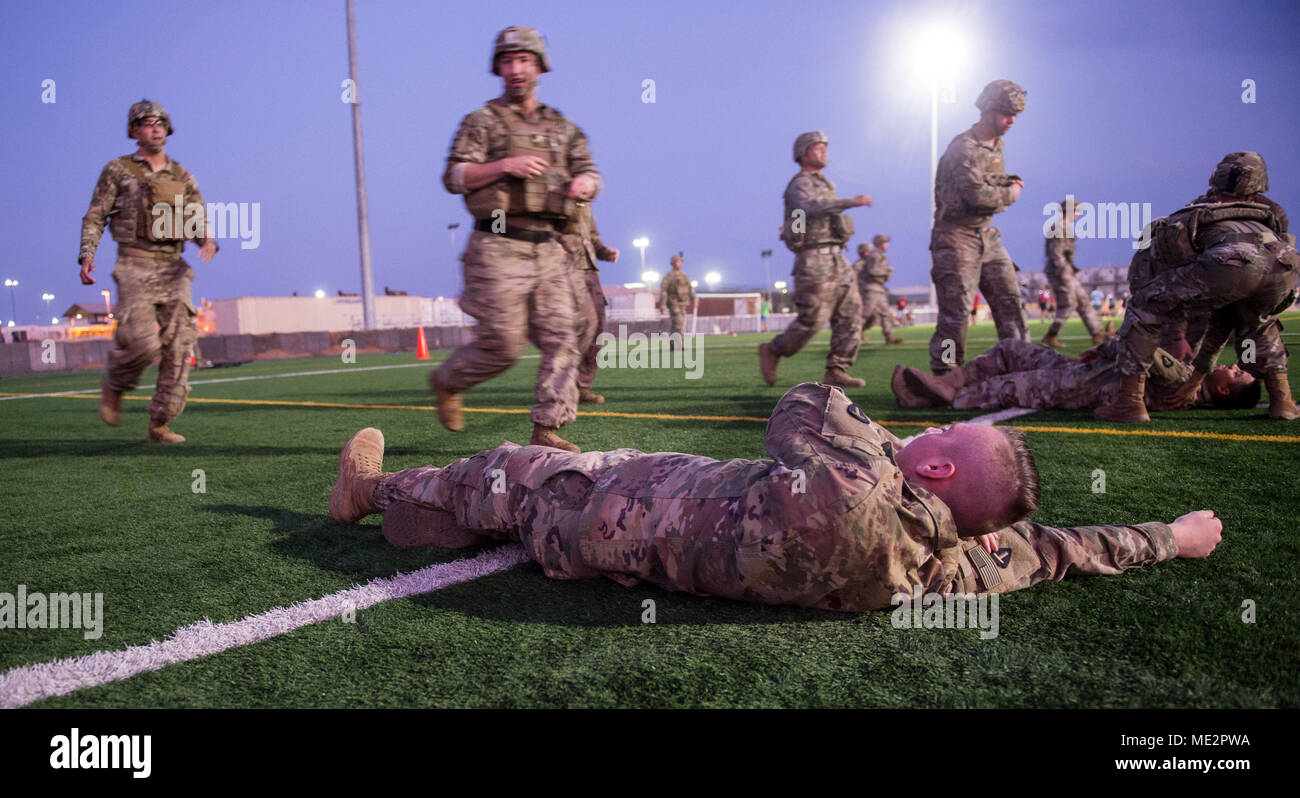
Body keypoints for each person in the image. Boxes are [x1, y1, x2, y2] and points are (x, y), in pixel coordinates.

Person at [328, 383, 1223, 612]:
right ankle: (425, 527)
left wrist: (886, 440)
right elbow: (1054, 550)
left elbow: (801, 404)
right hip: (638, 555)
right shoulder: (938, 574)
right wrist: (1168, 538)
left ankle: (375, 493)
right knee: (523, 508)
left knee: (508, 470)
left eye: (944, 439)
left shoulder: (859, 477)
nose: (931, 434)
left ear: (939, 473)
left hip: (603, 511)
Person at [432, 26, 602, 453]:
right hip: (497, 244)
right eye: (507, 61)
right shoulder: (482, 121)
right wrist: (504, 164)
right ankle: (448, 381)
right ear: (498, 69)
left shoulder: (562, 127)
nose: (516, 69)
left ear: (539, 66)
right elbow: (455, 177)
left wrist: (585, 184)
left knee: (566, 337)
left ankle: (547, 428)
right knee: (504, 346)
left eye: (524, 60)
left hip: (548, 246)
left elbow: (591, 171)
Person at [1096, 151, 1299, 422]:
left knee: (1144, 307)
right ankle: (1282, 401)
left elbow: (1155, 269)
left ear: (1213, 180)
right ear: (1259, 186)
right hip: (1285, 264)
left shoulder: (1194, 213)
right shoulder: (1271, 212)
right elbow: (1227, 314)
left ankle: (1129, 403)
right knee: (1261, 323)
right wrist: (1197, 376)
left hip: (1230, 262)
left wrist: (1171, 327)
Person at [79, 100, 218, 444]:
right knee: (142, 344)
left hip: (173, 267)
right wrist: (87, 254)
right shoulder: (118, 170)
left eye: (159, 122)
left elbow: (197, 216)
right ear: (133, 131)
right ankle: (115, 384)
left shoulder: (182, 176)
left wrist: (207, 240)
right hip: (135, 263)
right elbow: (96, 215)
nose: (154, 127)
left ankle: (159, 423)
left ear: (167, 129)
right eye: (145, 122)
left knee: (180, 345)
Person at [928, 79, 1031, 376]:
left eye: (1015, 115)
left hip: (986, 234)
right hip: (956, 235)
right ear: (987, 110)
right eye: (1005, 113)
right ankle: (944, 373)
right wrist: (1010, 194)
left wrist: (1005, 182)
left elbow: (989, 183)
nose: (1011, 120)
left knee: (1010, 300)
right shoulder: (963, 148)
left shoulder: (997, 144)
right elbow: (975, 195)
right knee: (956, 313)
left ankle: (1021, 364)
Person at [760, 131, 872, 388]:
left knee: (852, 314)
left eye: (825, 147)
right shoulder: (799, 184)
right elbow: (810, 207)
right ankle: (774, 350)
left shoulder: (824, 183)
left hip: (837, 256)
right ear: (804, 153)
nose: (824, 152)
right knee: (812, 320)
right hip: (813, 258)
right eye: (818, 148)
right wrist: (849, 202)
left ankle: (837, 368)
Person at [892, 337, 1260, 412]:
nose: (1234, 366)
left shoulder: (1184, 381)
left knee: (1002, 386)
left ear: (1225, 390)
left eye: (1237, 374)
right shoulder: (1190, 385)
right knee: (1012, 349)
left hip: (1080, 386)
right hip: (1085, 372)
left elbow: (1138, 343)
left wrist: (1105, 346)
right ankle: (948, 382)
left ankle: (932, 398)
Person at [558, 201, 618, 404]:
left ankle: (582, 386)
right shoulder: (553, 194)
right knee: (572, 332)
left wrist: (604, 252)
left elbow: (593, 237)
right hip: (564, 270)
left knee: (597, 327)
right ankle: (562, 386)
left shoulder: (585, 203)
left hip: (590, 270)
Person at [1042, 197, 1110, 348]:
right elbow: (1056, 253)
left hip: (1067, 270)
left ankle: (1097, 333)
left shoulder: (1065, 227)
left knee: (1083, 302)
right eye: (1077, 211)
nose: (1078, 215)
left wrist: (1072, 272)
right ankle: (1051, 335)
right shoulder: (1060, 227)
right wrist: (1064, 273)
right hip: (1059, 272)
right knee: (1069, 304)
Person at [857, 234, 903, 345]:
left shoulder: (881, 256)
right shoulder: (874, 256)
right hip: (871, 288)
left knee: (885, 313)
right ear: (878, 243)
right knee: (865, 313)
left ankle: (889, 336)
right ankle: (853, 335)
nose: (887, 245)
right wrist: (886, 272)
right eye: (885, 242)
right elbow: (872, 271)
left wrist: (887, 273)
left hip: (879, 288)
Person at [656, 255, 696, 345]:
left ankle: (673, 343)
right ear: (673, 263)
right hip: (674, 303)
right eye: (677, 262)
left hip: (683, 303)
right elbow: (664, 291)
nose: (679, 264)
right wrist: (662, 305)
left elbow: (690, 289)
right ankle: (679, 343)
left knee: (677, 325)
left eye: (681, 262)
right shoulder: (669, 276)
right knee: (678, 323)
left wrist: (694, 299)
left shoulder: (684, 276)